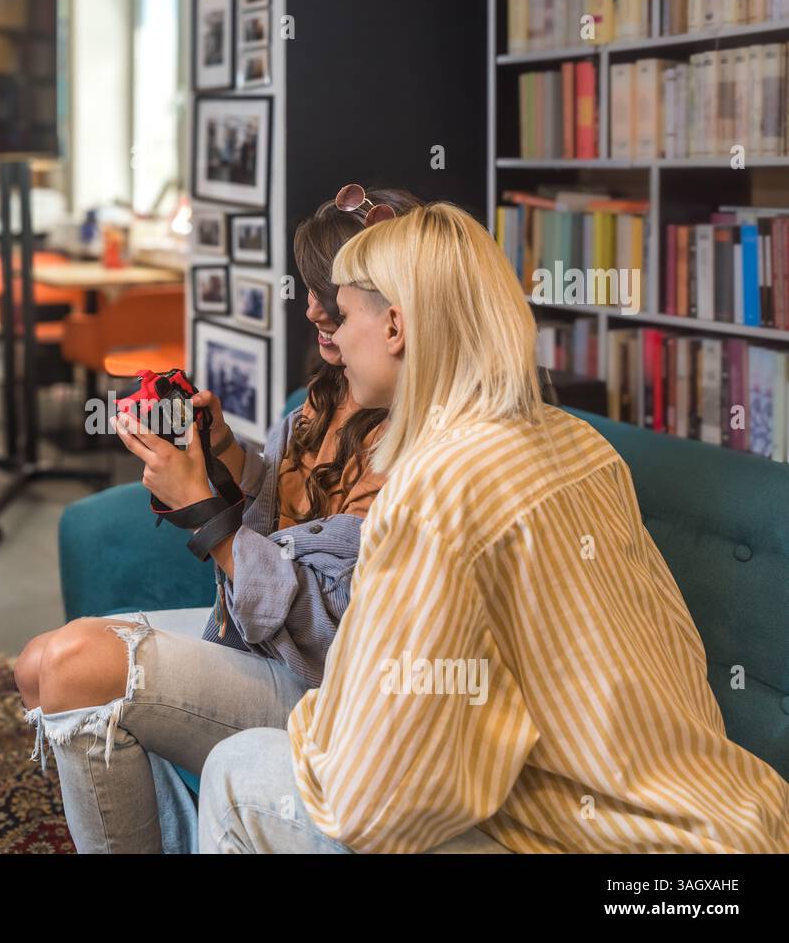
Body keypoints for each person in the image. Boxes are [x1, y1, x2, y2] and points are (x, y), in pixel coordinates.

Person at [198, 201, 789, 854]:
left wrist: (316, 716)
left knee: (235, 766)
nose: (333, 333)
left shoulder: (435, 489)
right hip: (740, 826)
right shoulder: (579, 444)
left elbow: (371, 802)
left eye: (344, 310)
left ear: (395, 325)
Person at [14, 188, 422, 853]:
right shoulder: (336, 394)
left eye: (329, 293)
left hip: (320, 689)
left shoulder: (421, 451)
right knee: (36, 665)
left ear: (392, 311)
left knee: (70, 667)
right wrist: (227, 450)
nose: (314, 309)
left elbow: (332, 634)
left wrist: (207, 514)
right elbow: (297, 513)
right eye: (311, 289)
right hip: (250, 642)